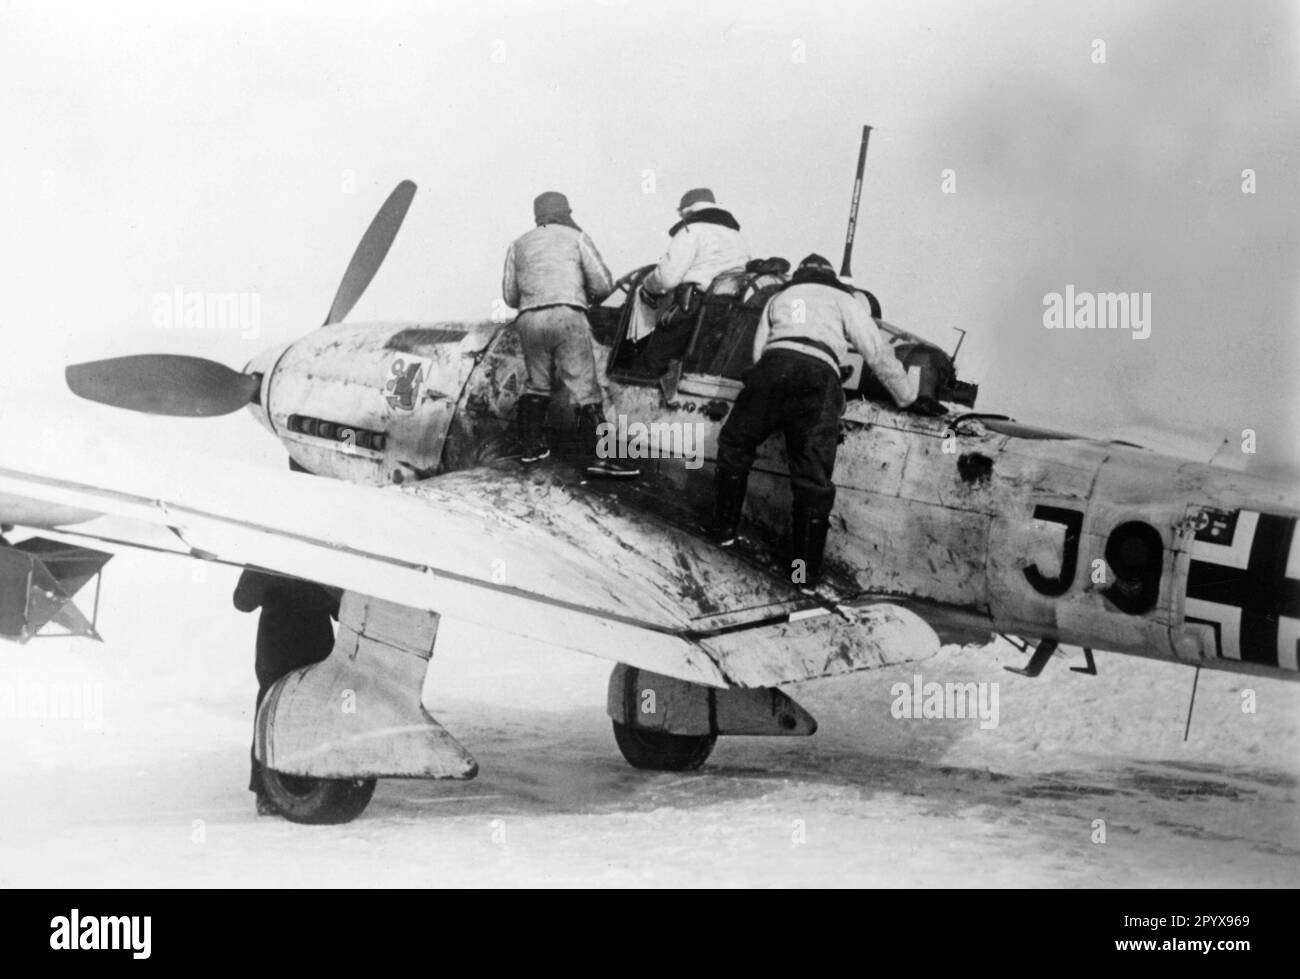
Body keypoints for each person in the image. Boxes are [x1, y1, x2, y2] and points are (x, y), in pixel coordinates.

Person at [711, 253, 918, 589]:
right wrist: (907, 396)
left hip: (774, 366)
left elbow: (758, 351)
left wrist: (765, 387)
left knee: (736, 443)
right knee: (812, 475)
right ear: (831, 277)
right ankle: (803, 572)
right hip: (819, 379)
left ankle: (723, 531)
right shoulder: (846, 301)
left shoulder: (781, 297)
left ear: (801, 275)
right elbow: (876, 351)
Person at [503, 191, 638, 478]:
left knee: (536, 385)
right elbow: (603, 285)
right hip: (568, 316)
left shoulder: (518, 244)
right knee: (584, 390)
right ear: (566, 211)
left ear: (537, 216)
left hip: (529, 319)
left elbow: (509, 295)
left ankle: (530, 448)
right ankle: (599, 459)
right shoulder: (576, 237)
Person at [234, 569, 340, 816]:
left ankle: (310, 785)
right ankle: (266, 790)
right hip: (279, 645)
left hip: (313, 645)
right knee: (271, 713)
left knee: (314, 714)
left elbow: (341, 608)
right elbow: (242, 601)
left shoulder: (321, 557)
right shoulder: (271, 553)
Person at [637, 188, 751, 376]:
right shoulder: (737, 237)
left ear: (687, 209)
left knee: (654, 361)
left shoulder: (692, 231)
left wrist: (647, 285)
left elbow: (666, 279)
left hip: (692, 307)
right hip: (729, 311)